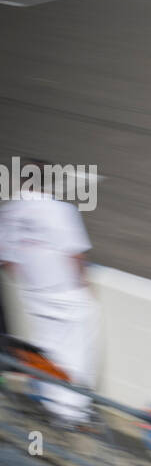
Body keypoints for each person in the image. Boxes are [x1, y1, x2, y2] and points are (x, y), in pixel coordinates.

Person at [0, 162, 97, 423]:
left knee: (48, 351)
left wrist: (29, 281)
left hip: (33, 293)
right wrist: (84, 286)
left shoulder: (8, 212)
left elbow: (7, 261)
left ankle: (55, 407)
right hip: (65, 292)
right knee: (77, 354)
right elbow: (75, 254)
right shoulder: (61, 210)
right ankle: (72, 414)